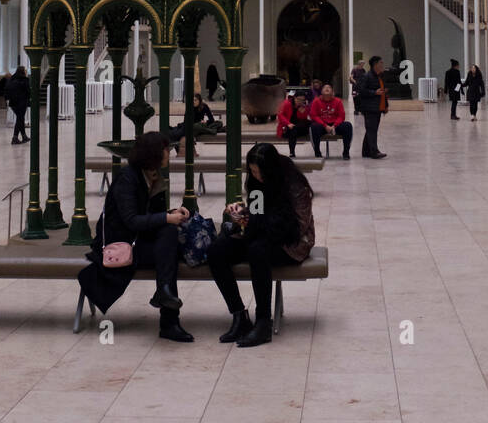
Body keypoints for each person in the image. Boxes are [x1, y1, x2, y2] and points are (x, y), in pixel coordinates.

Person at [81, 132, 192, 342]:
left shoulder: (152, 175)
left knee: (168, 241)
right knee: (168, 251)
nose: (169, 153)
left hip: (139, 240)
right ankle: (169, 319)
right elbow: (131, 220)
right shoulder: (128, 178)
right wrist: (166, 219)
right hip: (120, 244)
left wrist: (173, 213)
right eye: (165, 150)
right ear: (153, 154)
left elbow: (151, 215)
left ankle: (165, 295)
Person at [207, 143, 315, 348]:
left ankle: (264, 321)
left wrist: (253, 222)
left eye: (259, 171)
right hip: (261, 233)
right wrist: (242, 213)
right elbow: (257, 212)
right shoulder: (257, 182)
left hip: (290, 242)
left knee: (258, 251)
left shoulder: (294, 184)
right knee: (216, 250)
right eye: (252, 171)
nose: (255, 175)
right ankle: (239, 315)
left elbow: (296, 227)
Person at [308, 83, 353, 159]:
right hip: (322, 125)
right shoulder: (316, 101)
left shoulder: (338, 101)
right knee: (314, 127)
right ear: (321, 91)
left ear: (332, 91)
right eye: (325, 87)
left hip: (335, 125)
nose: (327, 88)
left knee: (348, 125)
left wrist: (334, 126)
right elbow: (313, 115)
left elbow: (341, 116)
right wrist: (325, 125)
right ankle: (317, 152)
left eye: (329, 87)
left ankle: (346, 152)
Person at [359, 55, 388, 158]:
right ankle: (374, 152)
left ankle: (366, 151)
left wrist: (386, 105)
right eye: (381, 63)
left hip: (378, 107)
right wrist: (374, 92)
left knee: (371, 129)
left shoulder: (380, 76)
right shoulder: (367, 76)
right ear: (375, 65)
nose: (382, 65)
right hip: (369, 108)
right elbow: (361, 91)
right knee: (372, 130)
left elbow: (383, 91)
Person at [276, 90, 311, 156]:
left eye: (302, 100)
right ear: (294, 98)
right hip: (287, 127)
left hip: (298, 126)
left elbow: (303, 119)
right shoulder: (286, 103)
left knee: (310, 123)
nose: (300, 101)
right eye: (299, 99)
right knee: (293, 130)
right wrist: (288, 123)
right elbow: (280, 115)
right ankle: (292, 152)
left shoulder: (303, 106)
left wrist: (302, 112)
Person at [4, 64, 30, 144]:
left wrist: (7, 100)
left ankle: (24, 136)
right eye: (25, 70)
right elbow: (28, 91)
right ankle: (15, 137)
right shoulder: (24, 80)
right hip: (21, 103)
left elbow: (6, 90)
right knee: (20, 119)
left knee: (20, 119)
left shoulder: (12, 79)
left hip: (13, 103)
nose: (26, 72)